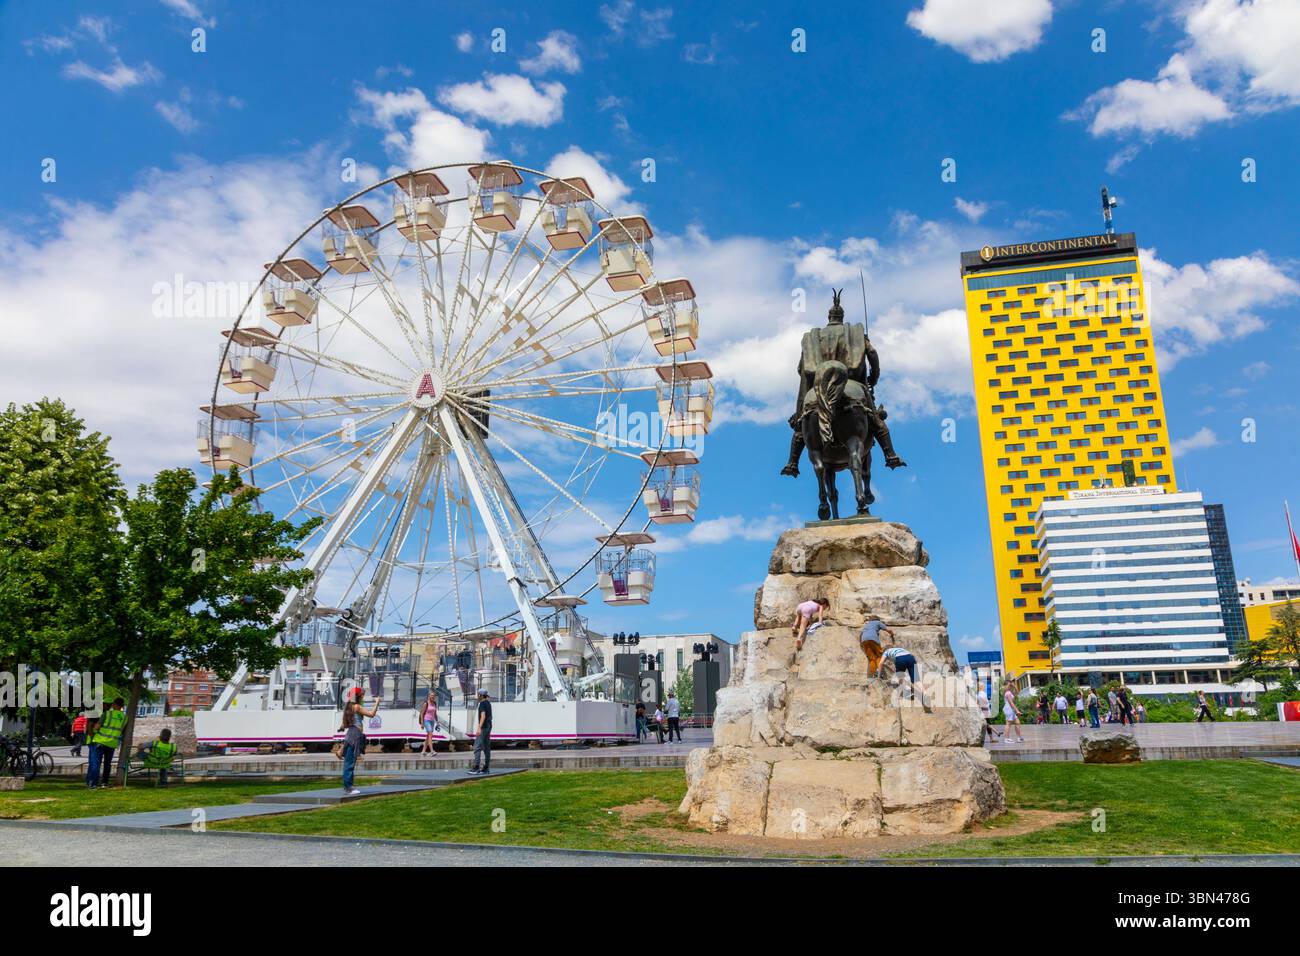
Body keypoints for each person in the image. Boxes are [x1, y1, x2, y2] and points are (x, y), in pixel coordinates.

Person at [340, 687, 379, 796]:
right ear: (358, 696)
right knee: (350, 762)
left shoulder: (349, 706)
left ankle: (348, 786)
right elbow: (371, 714)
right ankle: (348, 787)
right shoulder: (356, 707)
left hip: (352, 734)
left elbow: (345, 724)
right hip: (355, 735)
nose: (363, 696)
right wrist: (377, 703)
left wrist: (342, 727)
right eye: (362, 695)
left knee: (350, 761)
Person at [86, 697, 127, 789]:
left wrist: (93, 728)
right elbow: (122, 730)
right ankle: (105, 782)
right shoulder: (125, 718)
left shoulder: (107, 714)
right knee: (107, 764)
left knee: (96, 763)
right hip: (112, 743)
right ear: (122, 706)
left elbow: (97, 727)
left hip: (100, 741)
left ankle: (93, 784)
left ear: (114, 704)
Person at [468, 690, 492, 774]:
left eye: (478, 695)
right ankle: (486, 768)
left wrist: (479, 727)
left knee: (477, 747)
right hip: (488, 727)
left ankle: (476, 767)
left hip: (483, 727)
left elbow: (483, 715)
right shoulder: (488, 703)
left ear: (481, 695)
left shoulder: (482, 704)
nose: (477, 696)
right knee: (486, 748)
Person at [418, 690, 440, 756]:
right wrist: (422, 723)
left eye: (434, 696)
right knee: (430, 734)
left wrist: (437, 721)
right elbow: (422, 713)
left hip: (432, 721)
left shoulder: (434, 703)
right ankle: (432, 751)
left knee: (428, 736)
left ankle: (423, 751)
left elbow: (435, 713)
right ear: (429, 696)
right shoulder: (426, 704)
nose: (433, 697)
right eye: (431, 695)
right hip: (426, 720)